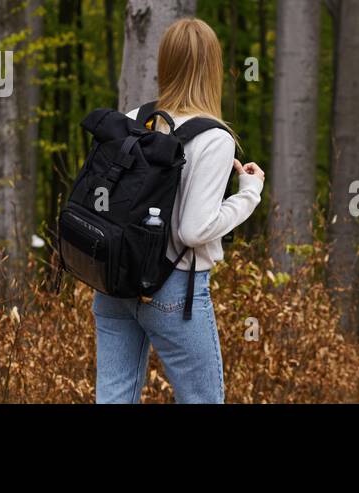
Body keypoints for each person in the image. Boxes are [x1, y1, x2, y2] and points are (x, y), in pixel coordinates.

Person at [93, 17, 264, 404]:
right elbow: (193, 229)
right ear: (213, 68)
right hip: (173, 292)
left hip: (115, 282)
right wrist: (249, 194)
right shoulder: (214, 138)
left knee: (114, 398)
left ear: (165, 63)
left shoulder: (137, 117)